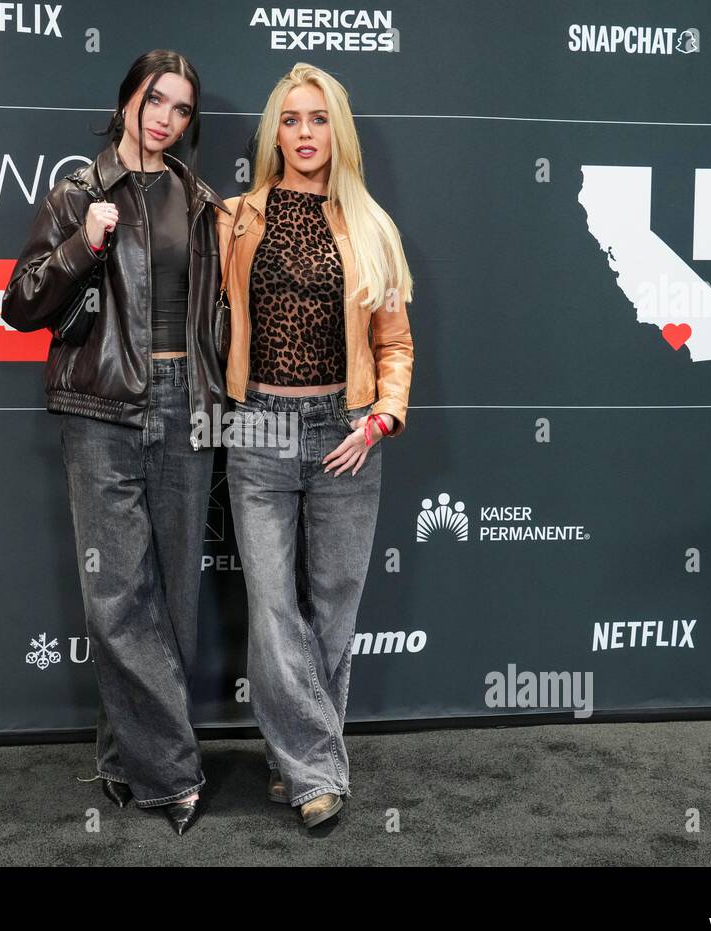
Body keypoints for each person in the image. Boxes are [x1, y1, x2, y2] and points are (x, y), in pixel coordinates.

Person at [2, 50, 228, 835]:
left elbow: (215, 322)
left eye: (181, 109)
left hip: (185, 402)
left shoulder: (201, 201)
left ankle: (121, 757)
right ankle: (173, 775)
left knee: (174, 600)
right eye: (153, 99)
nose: (164, 117)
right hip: (100, 406)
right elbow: (20, 305)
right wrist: (82, 246)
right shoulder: (79, 193)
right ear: (126, 99)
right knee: (117, 598)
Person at [217, 62, 415, 829]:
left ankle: (295, 761)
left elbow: (394, 343)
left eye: (319, 118)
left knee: (332, 609)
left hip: (345, 431)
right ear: (275, 132)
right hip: (259, 426)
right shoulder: (236, 218)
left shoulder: (371, 226)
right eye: (292, 120)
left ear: (340, 129)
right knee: (272, 608)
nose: (305, 134)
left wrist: (380, 420)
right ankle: (317, 772)